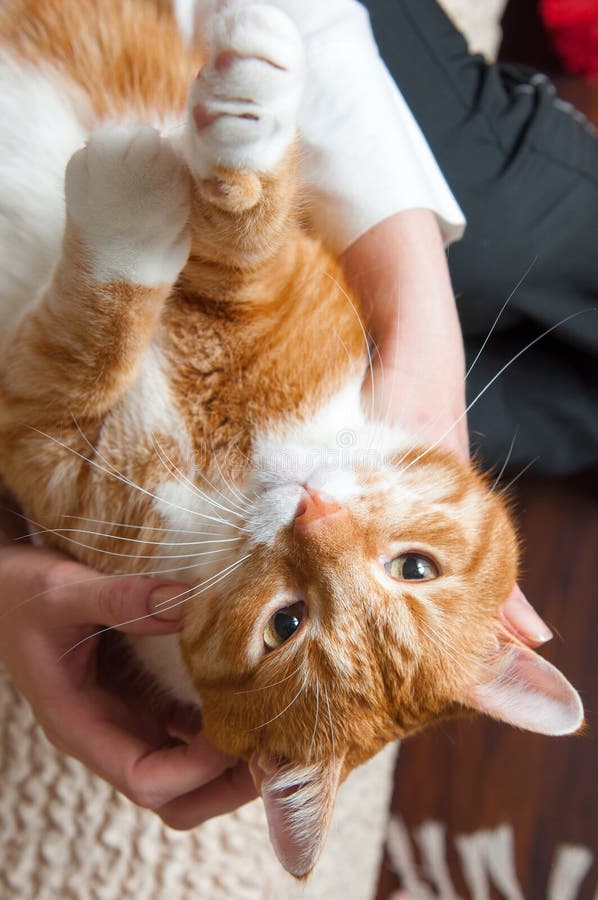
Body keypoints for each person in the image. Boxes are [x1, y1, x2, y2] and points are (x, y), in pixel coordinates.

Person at [0, 0, 575, 839]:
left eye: (288, 621)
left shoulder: (174, 610)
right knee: (523, 248)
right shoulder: (335, 438)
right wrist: (413, 298)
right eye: (412, 568)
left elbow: (48, 435)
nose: (320, 520)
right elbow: (250, 280)